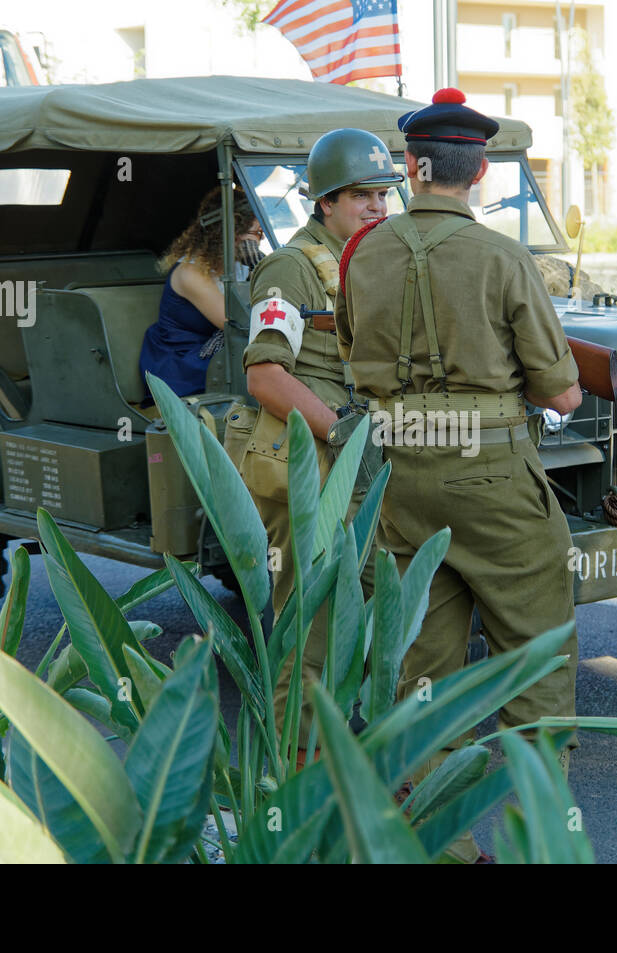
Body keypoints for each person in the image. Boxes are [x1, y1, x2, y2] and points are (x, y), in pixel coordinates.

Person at [335, 88, 581, 862]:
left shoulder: (360, 252)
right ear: (476, 175)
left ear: (412, 167)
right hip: (494, 478)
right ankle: (541, 835)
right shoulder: (506, 257)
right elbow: (562, 391)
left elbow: (351, 361)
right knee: (535, 660)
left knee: (419, 668)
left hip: (400, 473)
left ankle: (442, 847)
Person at [223, 128, 402, 756]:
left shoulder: (377, 260)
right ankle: (295, 781)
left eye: (384, 194)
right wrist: (341, 430)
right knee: (312, 635)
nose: (378, 207)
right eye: (361, 196)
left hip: (369, 470)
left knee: (378, 621)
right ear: (323, 201)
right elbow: (264, 375)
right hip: (316, 473)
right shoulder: (292, 269)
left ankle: (357, 771)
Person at [139, 189, 262, 399]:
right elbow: (238, 324)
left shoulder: (238, 265)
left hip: (220, 355)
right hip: (184, 365)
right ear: (231, 230)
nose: (260, 241)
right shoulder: (190, 272)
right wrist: (258, 264)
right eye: (257, 233)